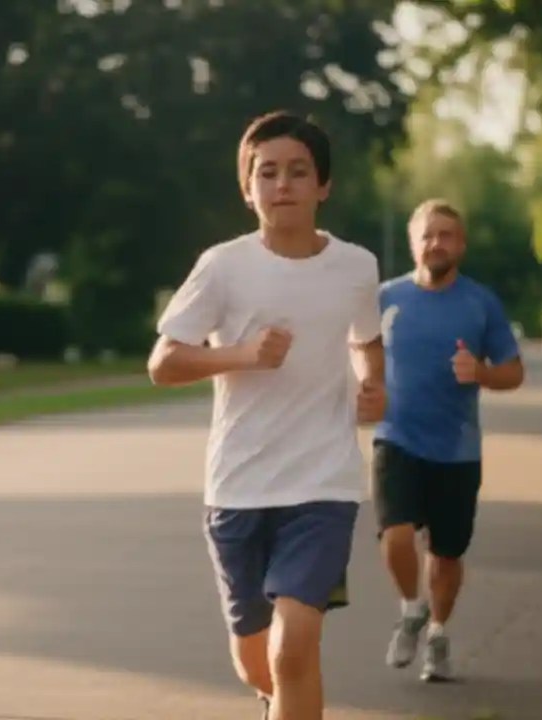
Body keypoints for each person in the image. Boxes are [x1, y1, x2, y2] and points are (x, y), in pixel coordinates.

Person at [147, 110, 385, 720]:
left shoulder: (357, 267)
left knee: (294, 647)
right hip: (239, 485)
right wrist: (242, 355)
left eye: (298, 172)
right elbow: (164, 362)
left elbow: (365, 339)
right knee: (257, 659)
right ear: (247, 187)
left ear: (323, 186)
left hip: (322, 486)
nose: (283, 185)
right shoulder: (223, 266)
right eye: (268, 172)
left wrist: (373, 387)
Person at [373, 199, 525, 683]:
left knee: (446, 554)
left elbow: (514, 371)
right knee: (394, 534)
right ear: (413, 241)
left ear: (460, 244)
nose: (436, 243)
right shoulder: (385, 298)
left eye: (447, 235)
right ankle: (411, 608)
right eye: (428, 234)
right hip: (396, 437)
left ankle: (437, 634)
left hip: (457, 449)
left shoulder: (480, 303)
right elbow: (358, 352)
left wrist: (480, 372)